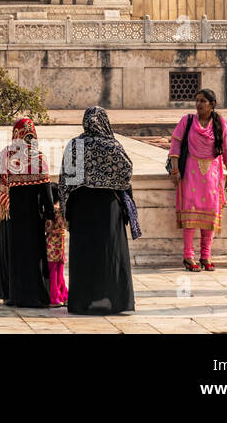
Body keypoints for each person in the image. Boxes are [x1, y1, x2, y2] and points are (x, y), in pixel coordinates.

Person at [61, 106, 139, 315]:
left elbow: (66, 181)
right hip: (108, 208)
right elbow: (126, 172)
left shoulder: (75, 146)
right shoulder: (112, 146)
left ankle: (82, 302)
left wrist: (65, 212)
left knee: (85, 256)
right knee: (109, 254)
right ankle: (115, 301)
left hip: (82, 209)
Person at [168, 89, 227, 271]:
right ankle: (188, 256)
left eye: (203, 101)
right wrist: (175, 169)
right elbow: (175, 143)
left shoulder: (219, 122)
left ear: (212, 104)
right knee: (190, 214)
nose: (198, 104)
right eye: (197, 101)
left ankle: (206, 256)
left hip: (212, 174)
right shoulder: (187, 121)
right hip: (190, 172)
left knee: (210, 214)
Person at [0, 117, 56, 308]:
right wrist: (51, 215)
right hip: (32, 218)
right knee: (32, 255)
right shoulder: (39, 157)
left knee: (12, 255)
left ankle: (11, 295)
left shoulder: (5, 156)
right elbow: (46, 192)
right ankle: (34, 295)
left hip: (11, 217)